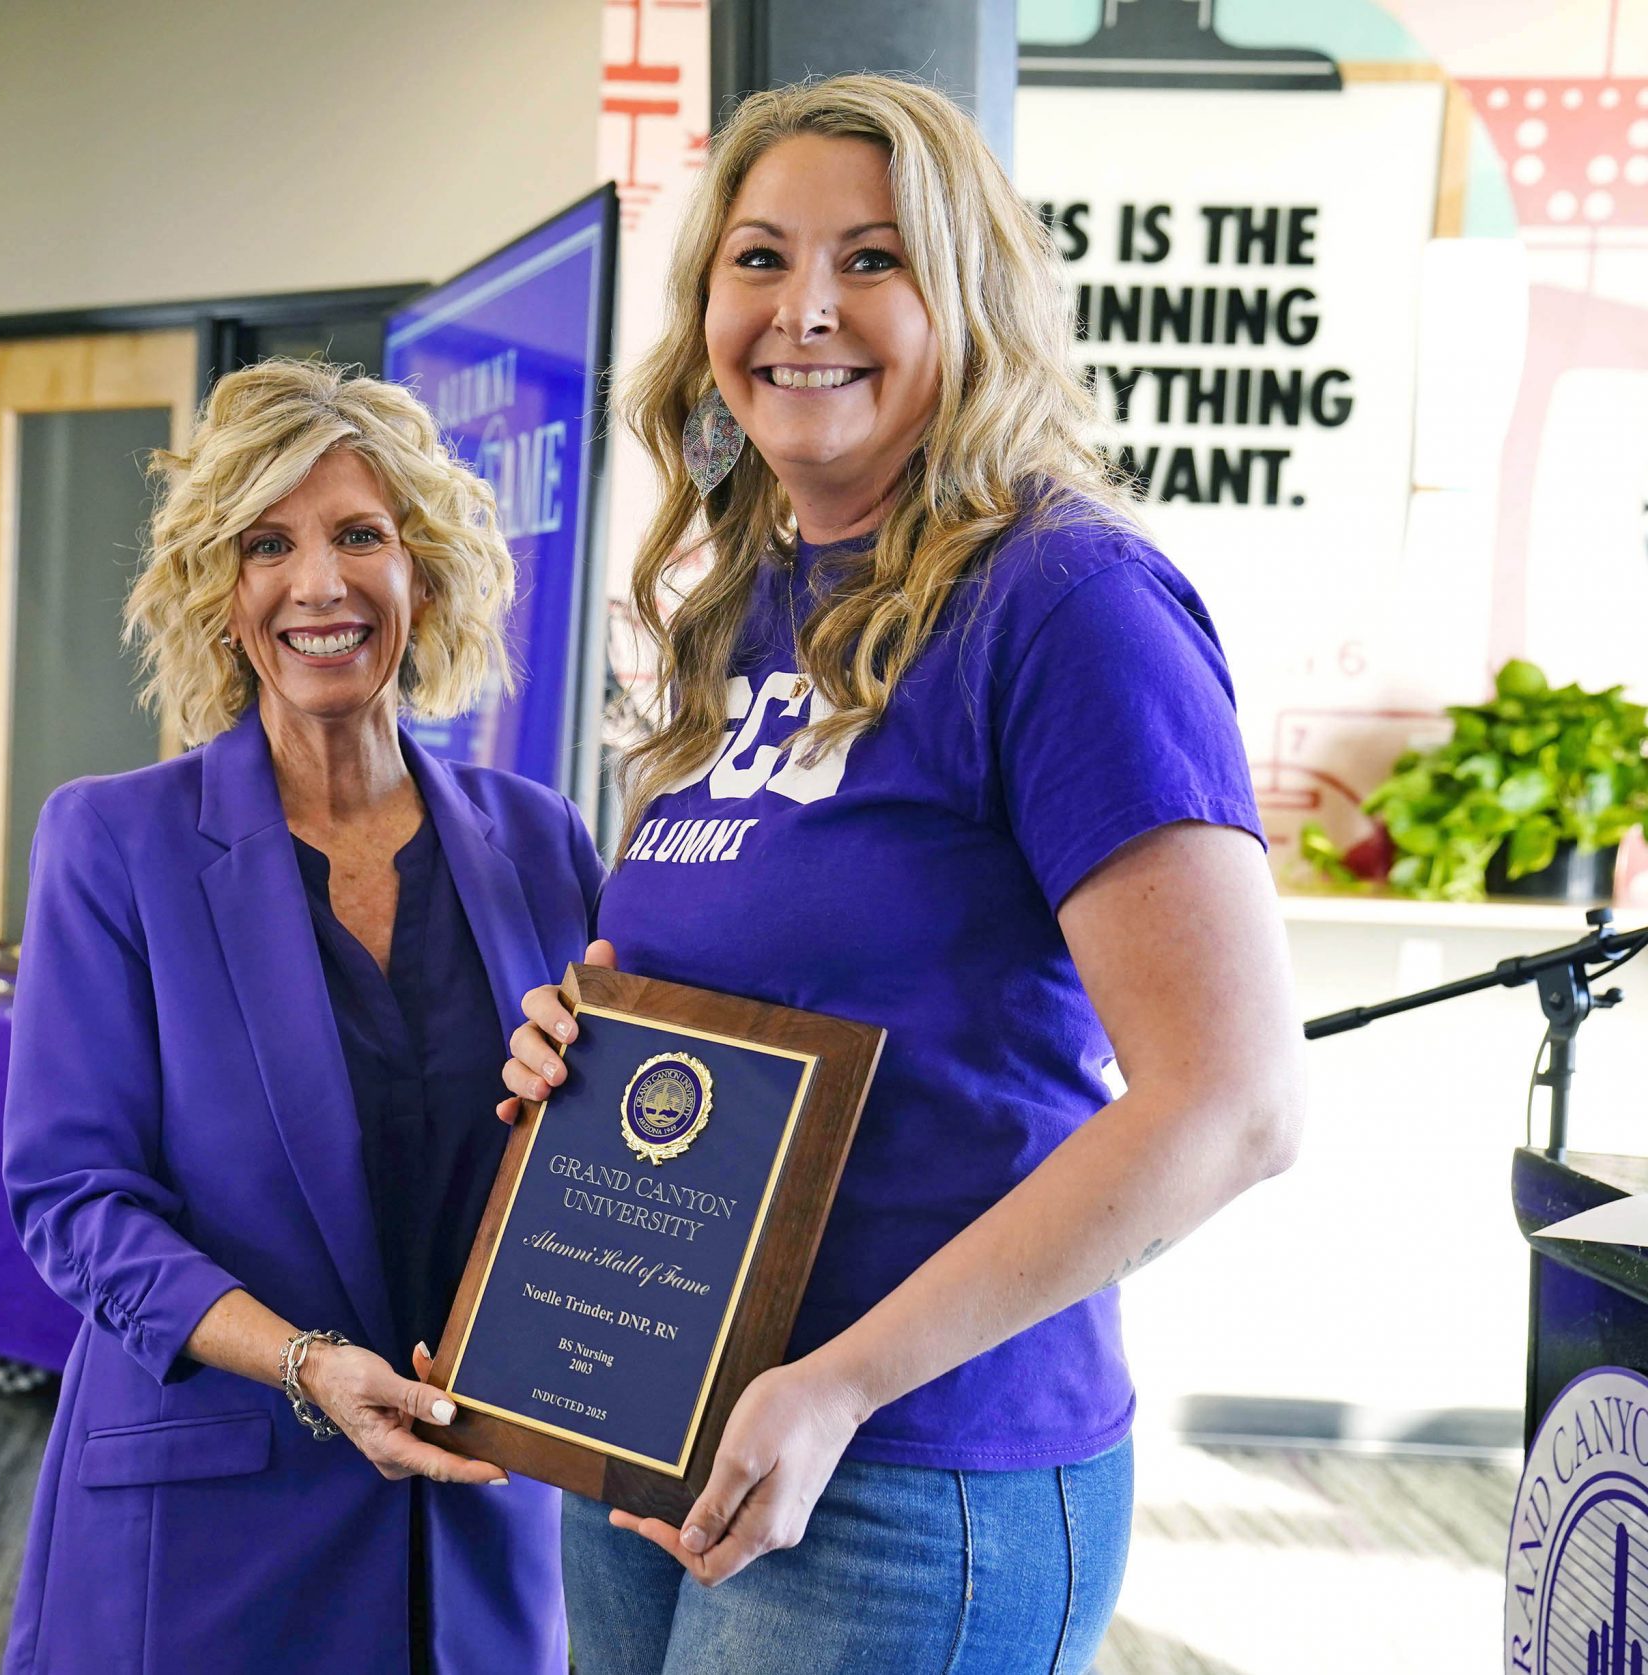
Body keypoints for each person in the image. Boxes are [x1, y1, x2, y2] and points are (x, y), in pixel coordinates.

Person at [497, 74, 1307, 1673]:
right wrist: (578, 1040)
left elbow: (1235, 1105)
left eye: (874, 259)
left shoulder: (1065, 603)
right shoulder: (752, 606)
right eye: (758, 258)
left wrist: (846, 1381)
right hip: (663, 1413)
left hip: (907, 1471)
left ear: (971, 299)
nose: (806, 309)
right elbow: (767, 989)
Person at [2, 360, 601, 1674]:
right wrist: (308, 1364)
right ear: (223, 598)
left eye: (362, 536)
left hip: (477, 1538)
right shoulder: (114, 843)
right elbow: (72, 1198)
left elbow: (596, 1177)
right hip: (214, 1524)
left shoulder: (545, 845)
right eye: (268, 544)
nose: (319, 584)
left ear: (423, 574)